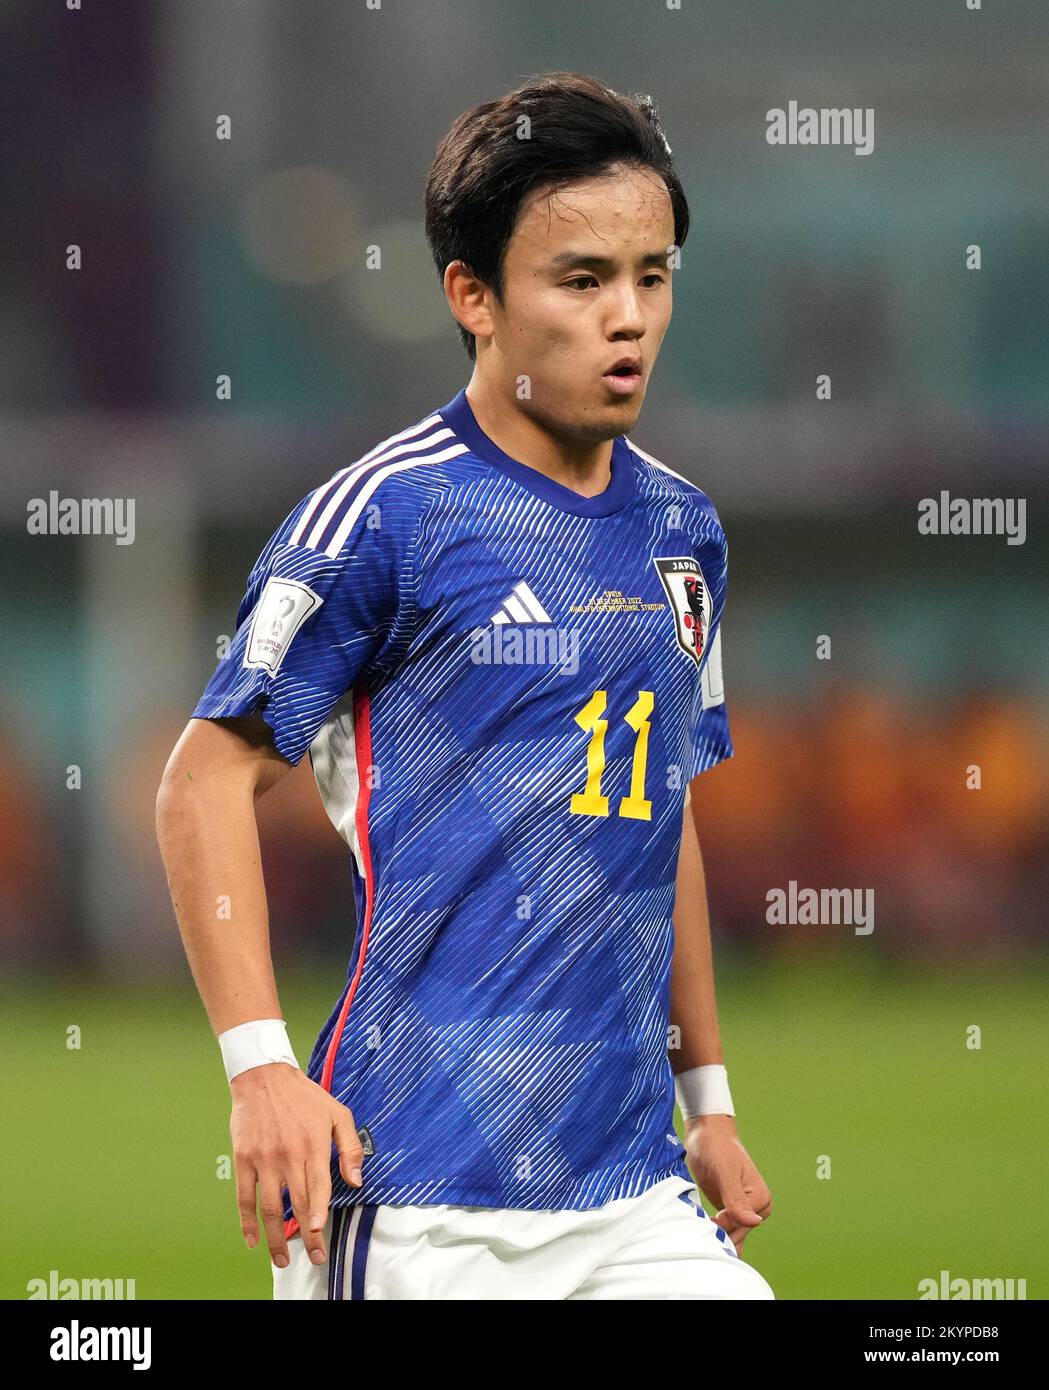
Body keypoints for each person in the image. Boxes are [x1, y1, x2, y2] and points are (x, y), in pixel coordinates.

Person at [156, 70, 774, 1301]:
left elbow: (663, 809)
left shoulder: (683, 533)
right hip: (417, 1194)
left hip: (631, 1191)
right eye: (583, 278)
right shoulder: (387, 515)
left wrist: (706, 1098)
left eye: (651, 275)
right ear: (472, 296)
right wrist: (258, 1068)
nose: (630, 317)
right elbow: (202, 784)